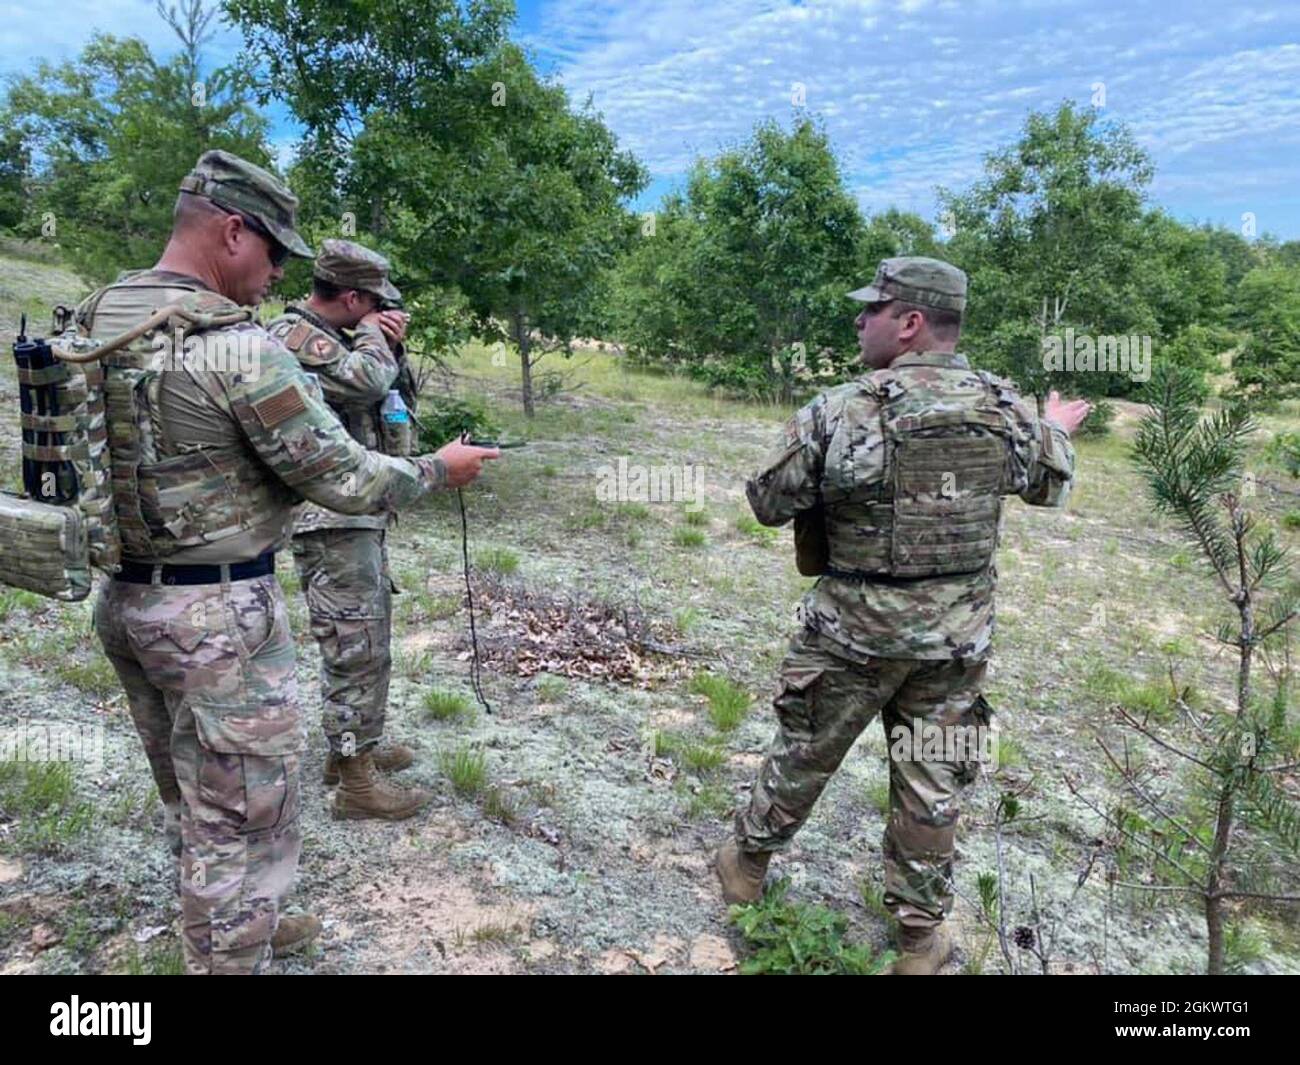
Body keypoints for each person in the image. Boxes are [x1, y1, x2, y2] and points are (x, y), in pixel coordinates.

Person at [83, 150, 498, 974]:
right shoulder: (239, 348)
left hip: (124, 597)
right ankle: (233, 947)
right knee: (242, 818)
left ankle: (241, 919)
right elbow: (340, 472)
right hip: (215, 617)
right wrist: (436, 471)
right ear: (232, 231)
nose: (275, 275)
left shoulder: (105, 312)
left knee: (192, 799)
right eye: (273, 253)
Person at [714, 256, 1090, 975]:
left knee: (806, 751)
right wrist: (1053, 425)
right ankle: (919, 940)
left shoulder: (841, 408)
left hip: (852, 634)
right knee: (931, 780)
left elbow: (767, 501)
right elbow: (1049, 482)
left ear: (911, 322)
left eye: (873, 310)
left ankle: (746, 865)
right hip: (953, 640)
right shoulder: (1007, 408)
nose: (859, 320)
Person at [266, 240, 428, 820]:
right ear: (355, 298)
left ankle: (350, 751)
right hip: (327, 516)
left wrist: (387, 341)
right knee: (354, 648)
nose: (387, 316)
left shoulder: (338, 338)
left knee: (368, 639)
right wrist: (375, 337)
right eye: (378, 306)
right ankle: (356, 787)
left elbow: (391, 394)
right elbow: (362, 382)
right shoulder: (290, 336)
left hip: (356, 510)